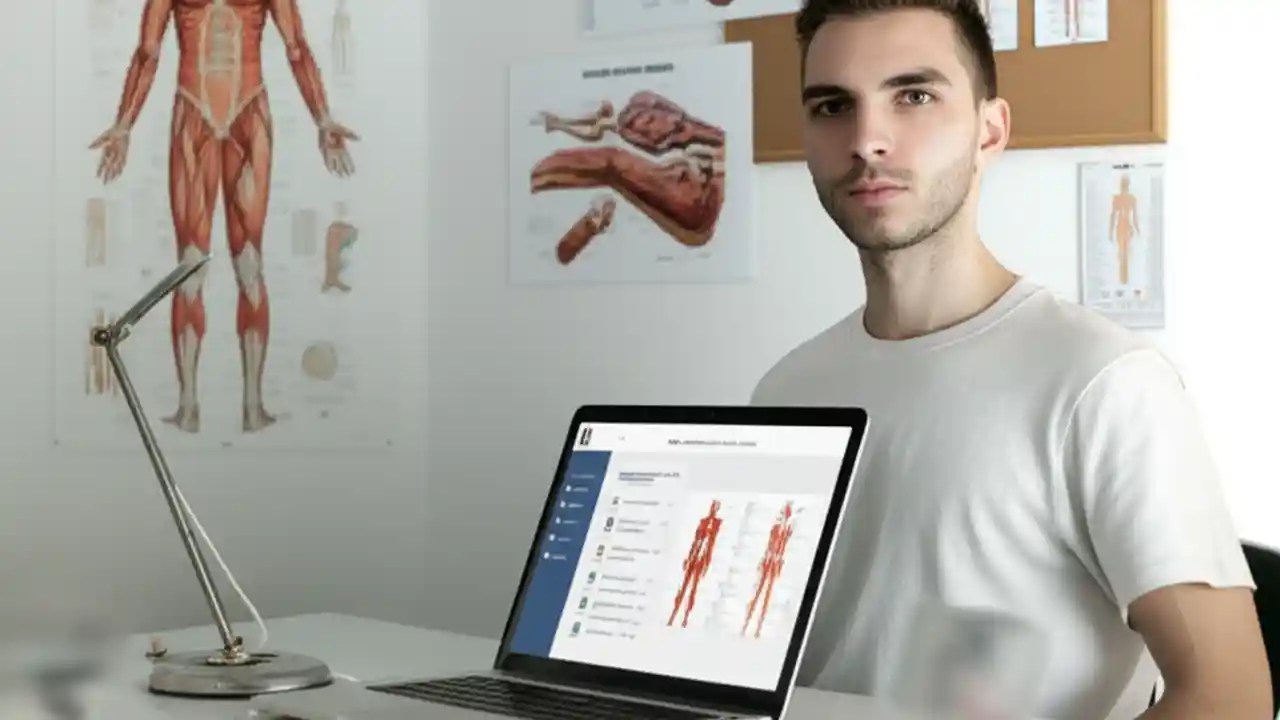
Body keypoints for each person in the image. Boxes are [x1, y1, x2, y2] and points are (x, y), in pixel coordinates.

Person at [749, 1, 1272, 718]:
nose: (867, 139)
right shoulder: (785, 390)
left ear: (989, 131)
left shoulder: (1102, 383)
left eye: (914, 96)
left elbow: (1230, 700)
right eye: (833, 105)